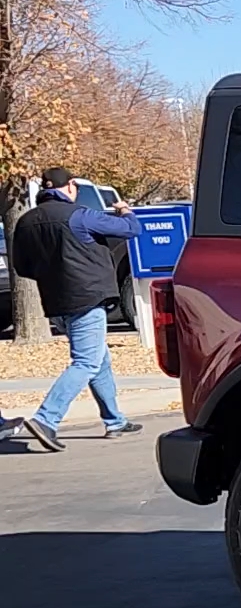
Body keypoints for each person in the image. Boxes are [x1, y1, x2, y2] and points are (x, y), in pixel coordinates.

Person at [0, 168, 142, 452]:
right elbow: (131, 230)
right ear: (71, 186)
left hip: (56, 303)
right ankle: (46, 419)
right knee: (86, 362)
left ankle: (115, 421)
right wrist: (125, 210)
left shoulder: (26, 222)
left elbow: (22, 268)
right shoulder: (79, 215)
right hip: (88, 299)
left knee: (99, 359)